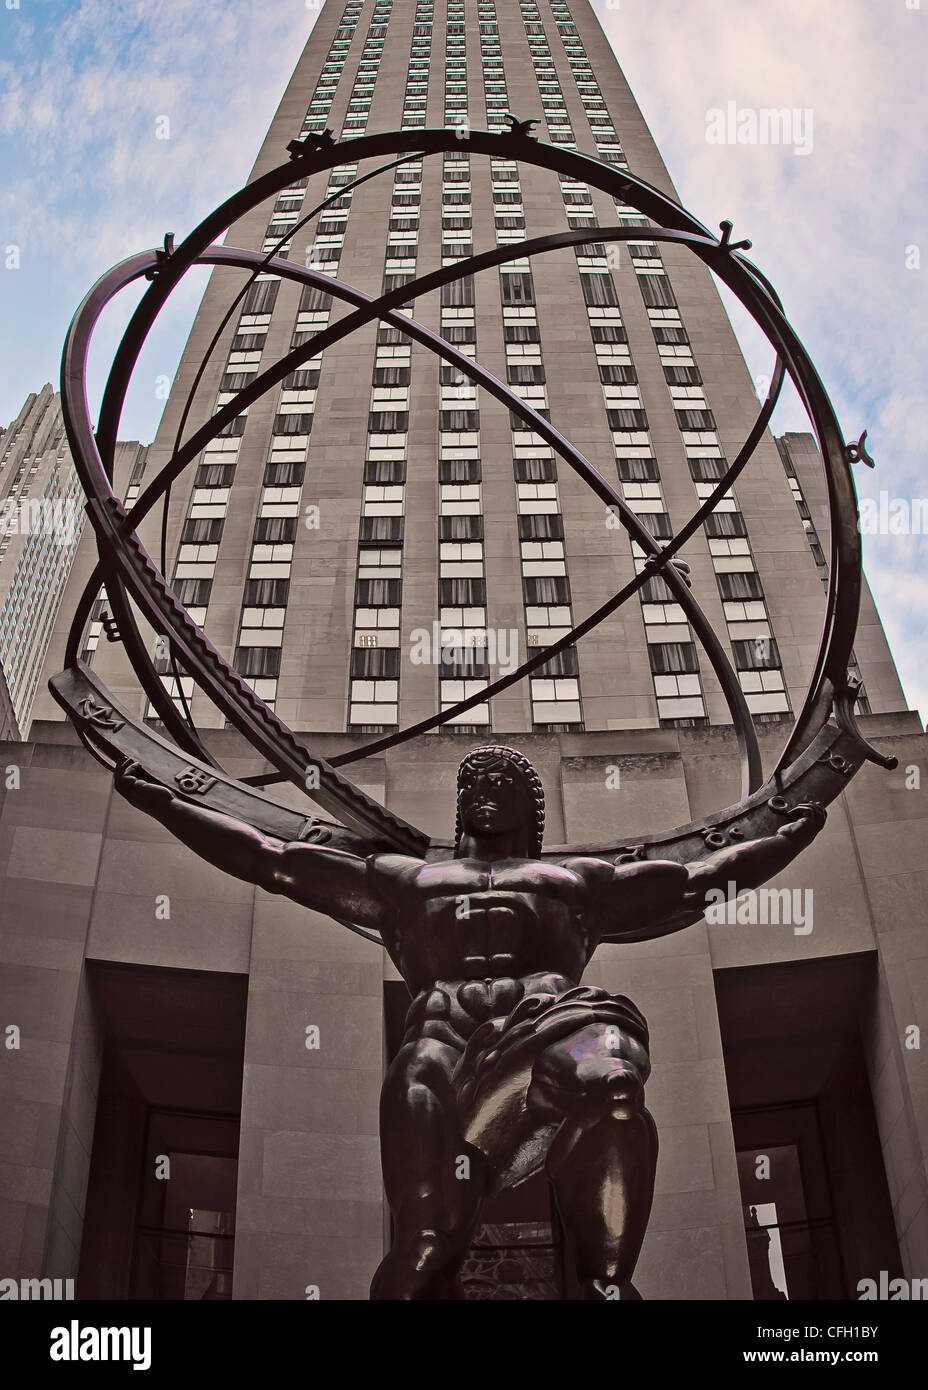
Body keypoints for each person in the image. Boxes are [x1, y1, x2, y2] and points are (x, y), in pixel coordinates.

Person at [116, 744, 824, 1300]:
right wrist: (164, 805)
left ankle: (607, 1280)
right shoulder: (404, 882)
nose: (482, 789)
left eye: (500, 781)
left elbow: (701, 880)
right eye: (471, 782)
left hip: (550, 1025)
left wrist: (792, 833)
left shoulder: (577, 882)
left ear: (529, 806)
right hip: (440, 1048)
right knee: (423, 1254)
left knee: (611, 1082)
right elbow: (269, 859)